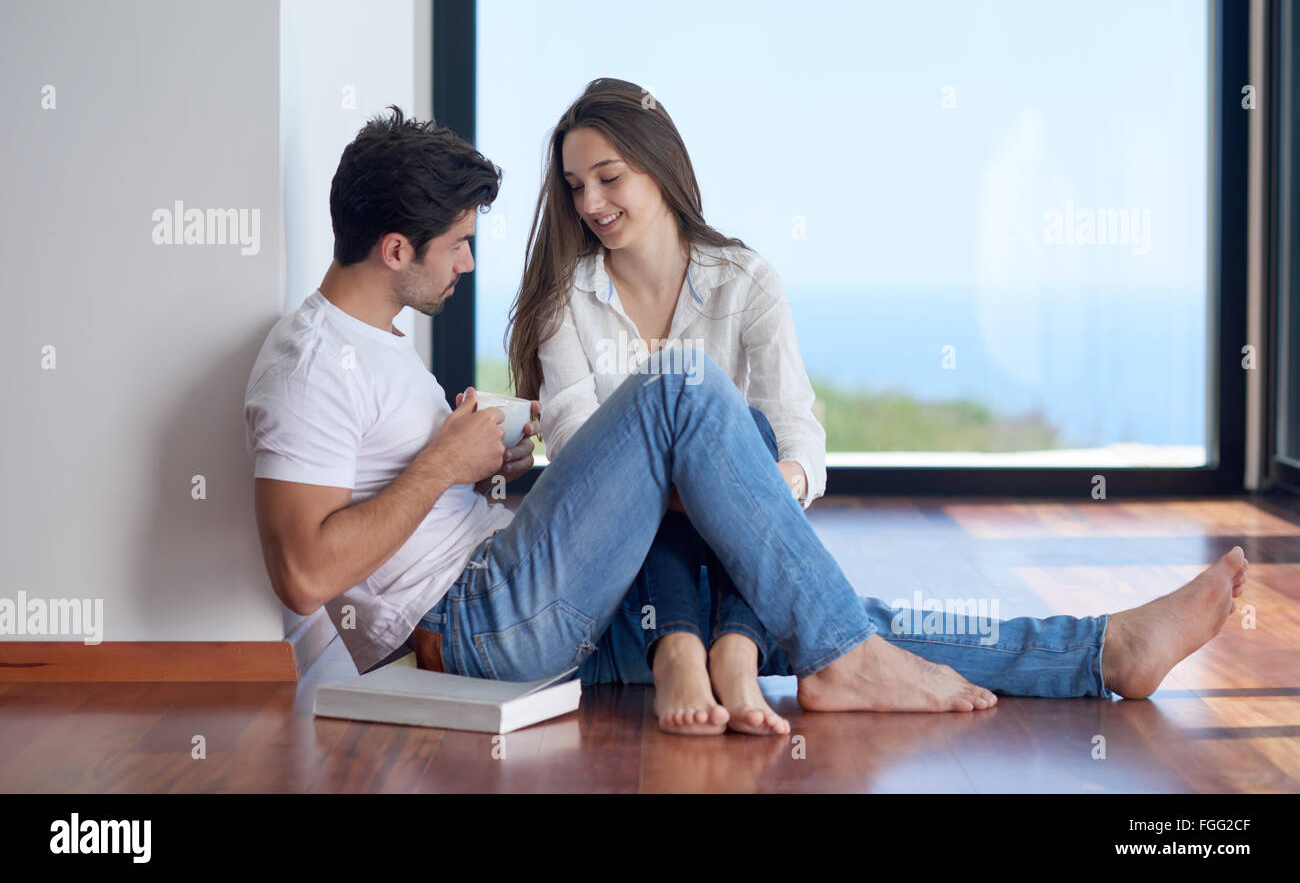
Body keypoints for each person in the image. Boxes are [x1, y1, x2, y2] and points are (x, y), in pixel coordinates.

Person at [243, 105, 1250, 723]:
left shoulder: (373, 349)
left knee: (832, 615)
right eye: (457, 243)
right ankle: (842, 665)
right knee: (683, 389)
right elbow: (302, 571)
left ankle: (1098, 655)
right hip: (471, 627)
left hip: (516, 590)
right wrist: (442, 463)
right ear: (392, 247)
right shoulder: (307, 362)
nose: (468, 262)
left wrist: (481, 463)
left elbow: (398, 507)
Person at [507, 78, 827, 736]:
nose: (590, 202)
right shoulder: (563, 299)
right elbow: (576, 451)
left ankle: (736, 651)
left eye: (608, 177)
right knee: (669, 451)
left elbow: (800, 440)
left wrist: (756, 488)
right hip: (626, 547)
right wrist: (693, 479)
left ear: (658, 165)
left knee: (755, 431)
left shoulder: (746, 282)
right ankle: (678, 648)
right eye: (574, 186)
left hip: (735, 537)